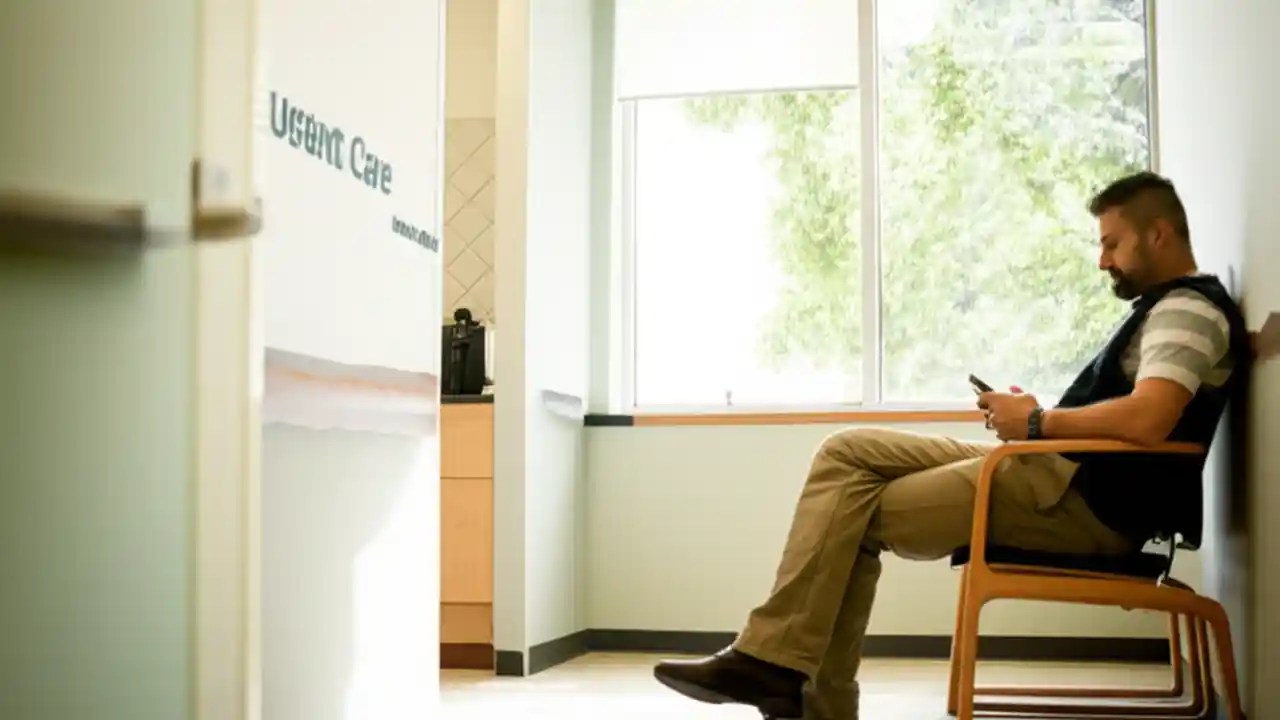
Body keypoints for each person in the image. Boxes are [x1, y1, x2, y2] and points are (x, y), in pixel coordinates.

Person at [652, 172, 1252, 720]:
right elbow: (1143, 407)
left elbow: (1150, 418)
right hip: (1052, 475)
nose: (1102, 261)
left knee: (849, 512)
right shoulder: (1172, 309)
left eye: (1112, 243)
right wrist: (1033, 420)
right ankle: (778, 666)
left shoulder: (1188, 311)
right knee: (846, 452)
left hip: (1078, 503)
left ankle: (794, 685)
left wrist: (1039, 422)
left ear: (1159, 234)